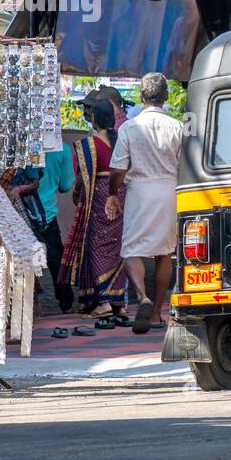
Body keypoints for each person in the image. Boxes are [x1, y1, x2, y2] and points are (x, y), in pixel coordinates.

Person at [106, 73, 183, 334]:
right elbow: (185, 165)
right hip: (169, 190)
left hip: (139, 190)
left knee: (131, 250)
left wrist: (112, 193)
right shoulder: (177, 127)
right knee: (165, 252)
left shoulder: (129, 128)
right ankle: (157, 314)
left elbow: (118, 169)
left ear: (141, 97)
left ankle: (143, 298)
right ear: (167, 97)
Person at [58, 99, 127, 324]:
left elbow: (82, 179)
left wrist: (77, 194)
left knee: (97, 246)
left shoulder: (89, 144)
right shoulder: (120, 141)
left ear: (94, 118)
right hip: (120, 195)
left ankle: (105, 302)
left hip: (100, 197)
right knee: (117, 247)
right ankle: (117, 302)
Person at [7, 145, 76, 312]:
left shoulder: (21, 143)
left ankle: (26, 302)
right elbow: (66, 185)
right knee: (55, 258)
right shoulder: (62, 149)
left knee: (21, 258)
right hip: (46, 213)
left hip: (19, 209)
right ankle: (65, 300)